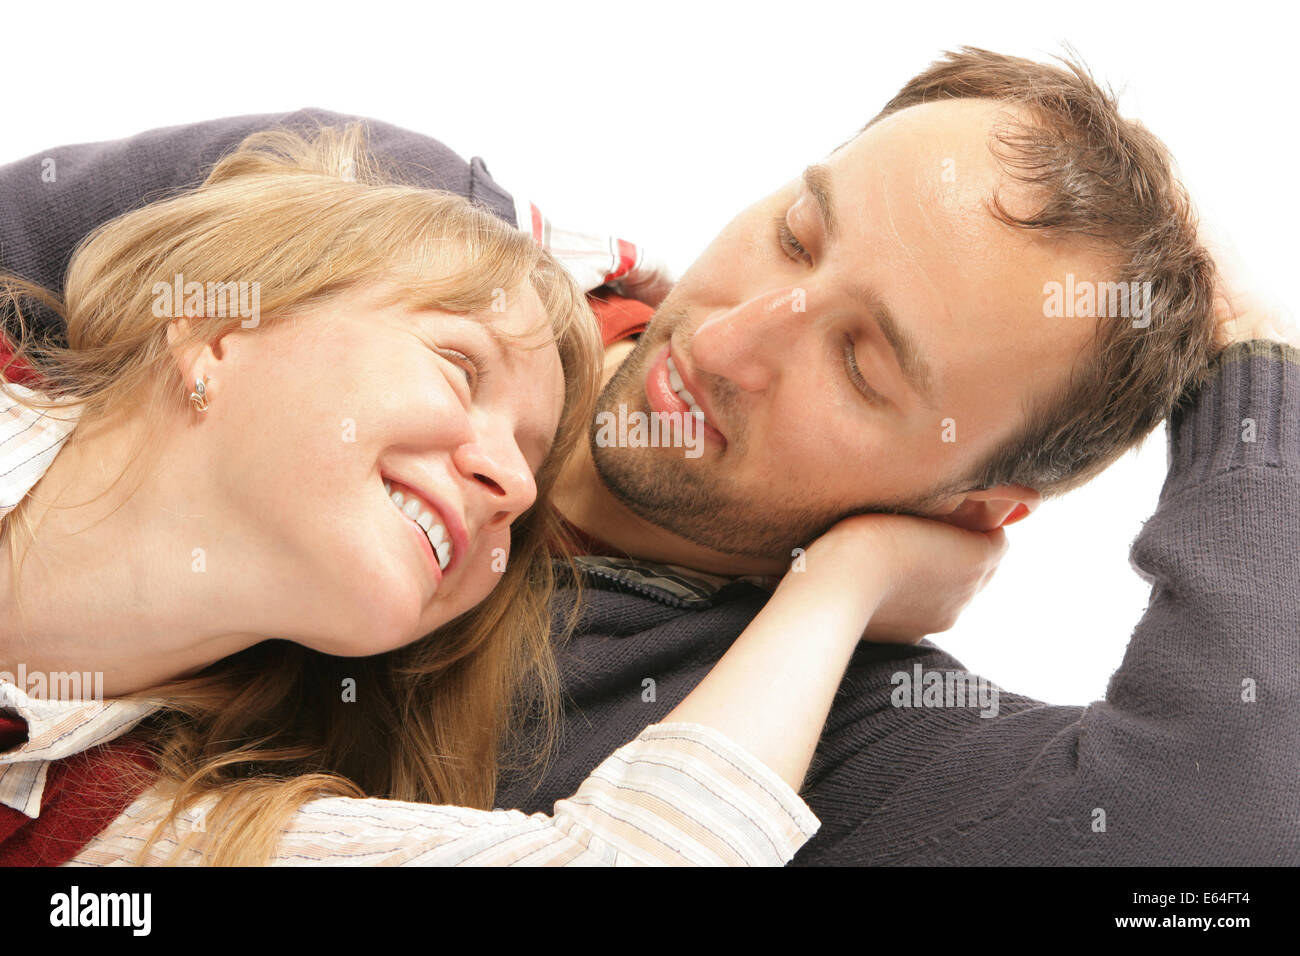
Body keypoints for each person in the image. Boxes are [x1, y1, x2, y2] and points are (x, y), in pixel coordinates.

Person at [3, 45, 1296, 865]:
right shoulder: (393, 233)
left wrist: (1257, 379)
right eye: (798, 234)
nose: (729, 340)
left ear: (976, 507)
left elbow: (1220, 839)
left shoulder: (823, 734)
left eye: (862, 365)